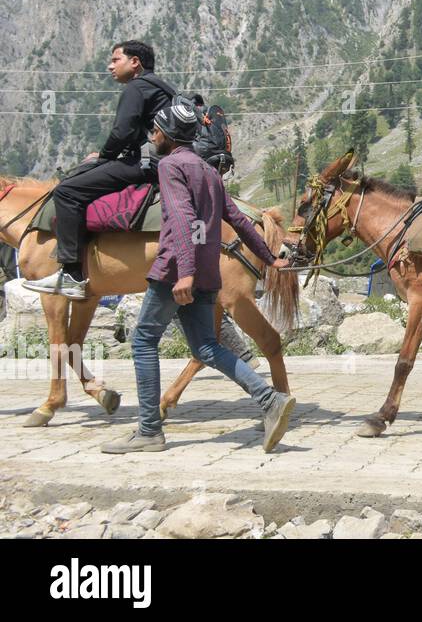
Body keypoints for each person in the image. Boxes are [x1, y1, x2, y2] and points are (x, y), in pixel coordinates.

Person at [100, 104, 296, 454]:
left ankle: (148, 431)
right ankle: (270, 400)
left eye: (156, 130)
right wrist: (269, 260)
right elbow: (237, 219)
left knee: (144, 341)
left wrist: (185, 272)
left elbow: (182, 218)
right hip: (208, 272)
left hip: (177, 269)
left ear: (168, 135)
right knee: (207, 347)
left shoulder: (171, 166)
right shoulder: (207, 170)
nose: (152, 135)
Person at [25, 41, 178, 301]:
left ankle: (71, 274)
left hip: (146, 166)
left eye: (116, 59)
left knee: (67, 191)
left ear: (135, 62)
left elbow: (122, 132)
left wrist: (103, 157)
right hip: (161, 162)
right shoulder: (162, 88)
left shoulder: (137, 87)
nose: (110, 66)